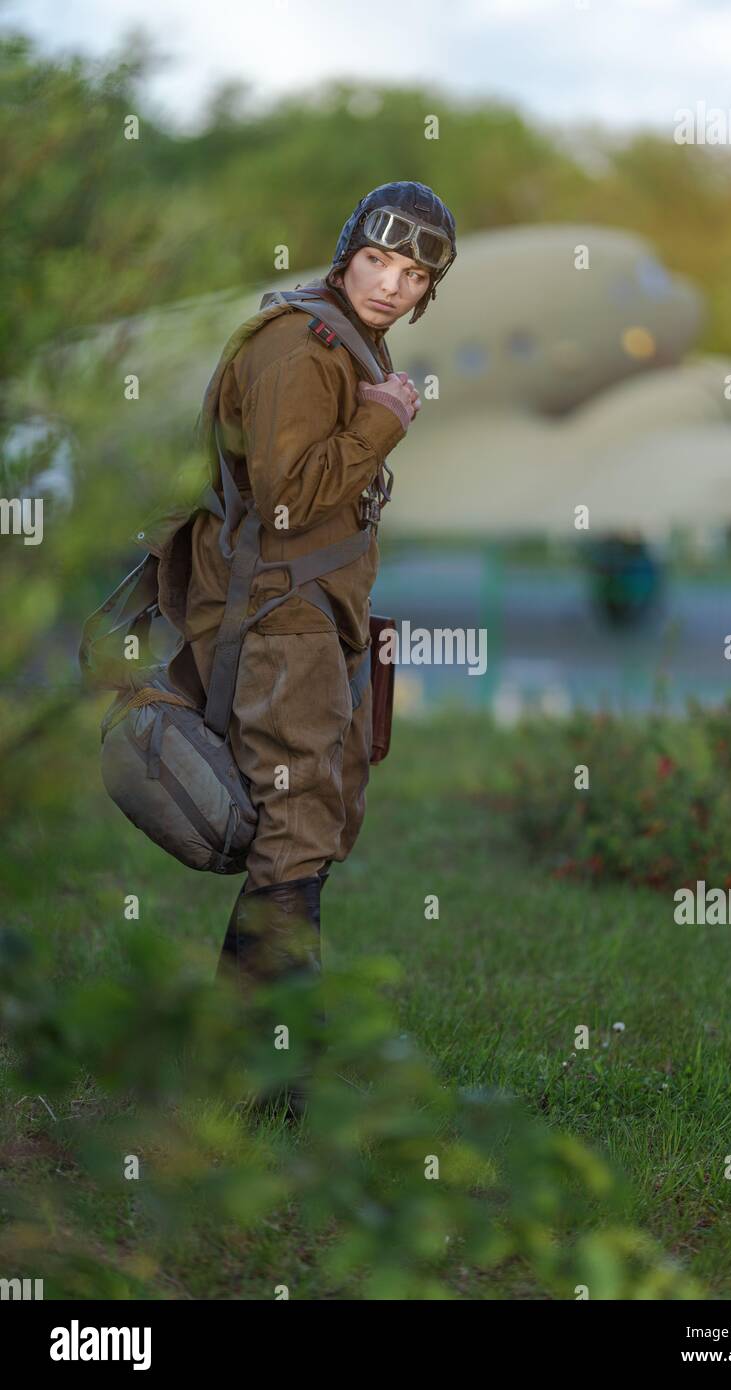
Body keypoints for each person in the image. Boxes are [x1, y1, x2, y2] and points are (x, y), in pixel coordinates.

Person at [183, 183, 457, 1040]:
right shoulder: (301, 347)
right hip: (280, 619)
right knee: (297, 827)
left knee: (318, 822)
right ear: (347, 254)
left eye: (414, 274)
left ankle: (235, 1047)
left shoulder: (354, 346)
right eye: (378, 260)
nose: (391, 285)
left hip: (319, 615)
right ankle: (278, 1074)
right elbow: (289, 504)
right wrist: (383, 423)